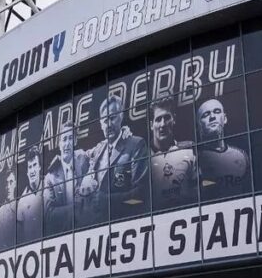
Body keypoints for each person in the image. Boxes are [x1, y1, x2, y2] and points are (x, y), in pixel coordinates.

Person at [78, 94, 148, 223]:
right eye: (105, 120)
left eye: (112, 118)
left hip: (124, 224)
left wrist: (107, 200)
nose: (108, 124)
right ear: (100, 124)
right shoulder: (98, 150)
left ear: (121, 117)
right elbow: (79, 157)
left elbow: (141, 194)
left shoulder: (136, 145)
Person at [149, 100, 197, 210]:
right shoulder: (142, 158)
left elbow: (198, 191)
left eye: (167, 118)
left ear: (173, 119)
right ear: (151, 125)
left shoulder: (189, 150)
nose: (163, 124)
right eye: (158, 119)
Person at [196, 98, 249, 196]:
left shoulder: (241, 155)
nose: (212, 117)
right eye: (206, 114)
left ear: (224, 119)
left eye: (217, 112)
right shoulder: (195, 160)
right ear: (199, 124)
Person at [43, 122, 89, 235]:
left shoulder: (84, 159)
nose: (67, 144)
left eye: (70, 138)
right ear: (59, 144)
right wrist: (76, 208)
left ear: (75, 141)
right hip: (64, 234)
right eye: (64, 139)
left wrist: (124, 132)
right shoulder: (50, 177)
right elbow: (49, 214)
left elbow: (102, 149)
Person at [16, 146, 43, 242]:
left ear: (39, 167)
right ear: (27, 171)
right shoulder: (22, 202)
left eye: (35, 165)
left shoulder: (49, 186)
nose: (32, 171)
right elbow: (19, 237)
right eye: (30, 167)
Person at [0, 170, 17, 250]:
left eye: (11, 182)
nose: (8, 187)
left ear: (15, 183)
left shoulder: (22, 205)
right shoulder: (0, 213)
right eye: (6, 183)